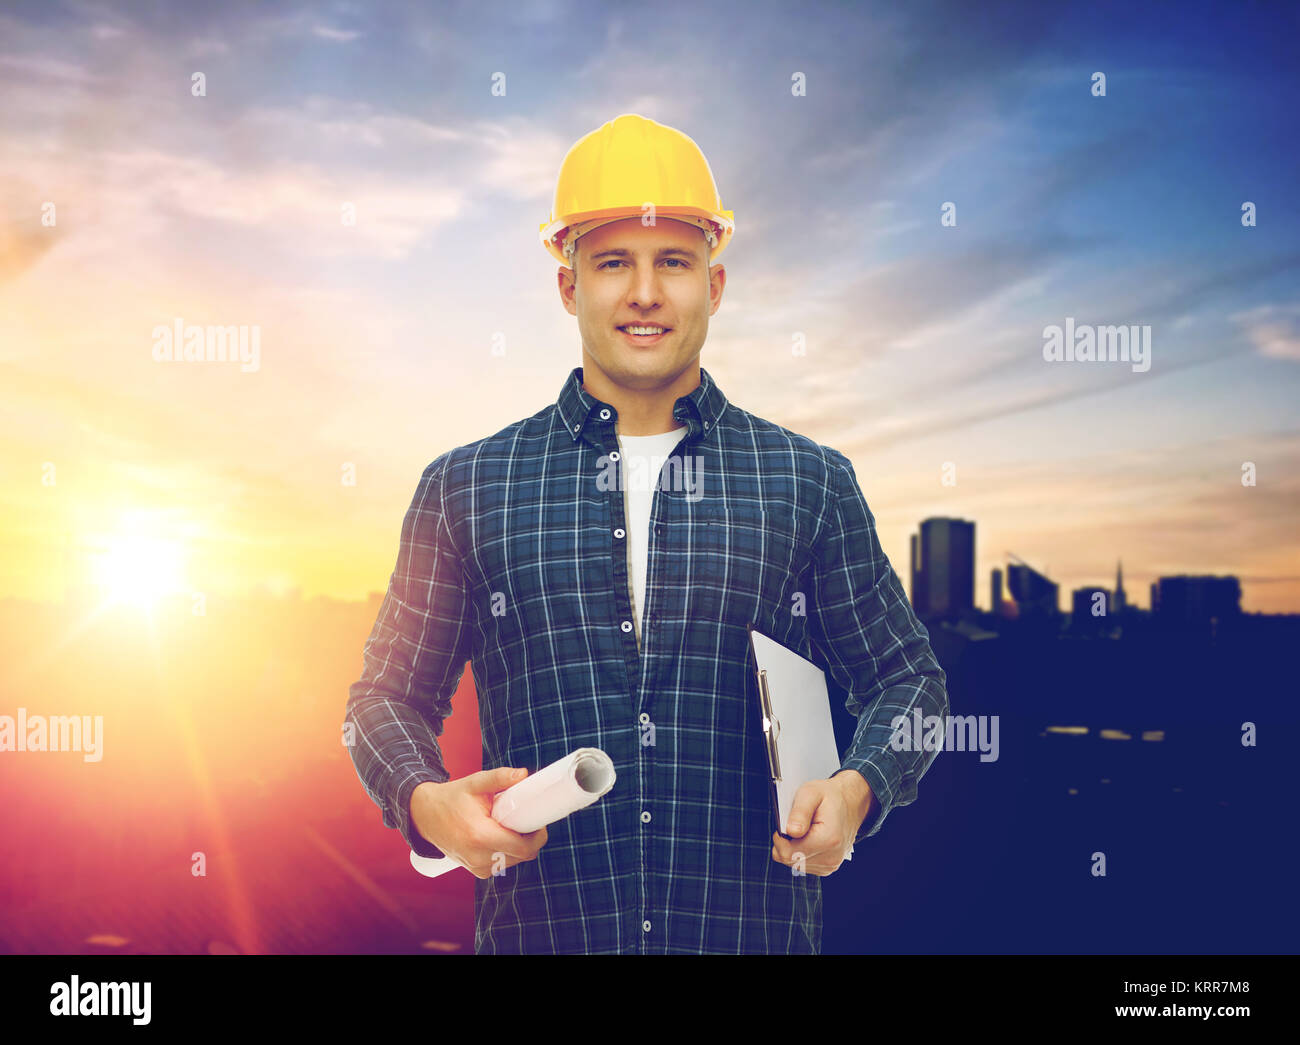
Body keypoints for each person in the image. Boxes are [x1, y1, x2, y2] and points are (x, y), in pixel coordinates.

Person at [345, 113, 949, 954]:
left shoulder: (807, 483)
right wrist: (423, 801)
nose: (644, 292)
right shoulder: (467, 486)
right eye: (612, 262)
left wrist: (860, 789)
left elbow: (908, 680)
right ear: (568, 286)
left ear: (716, 282)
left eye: (673, 261)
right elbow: (385, 696)